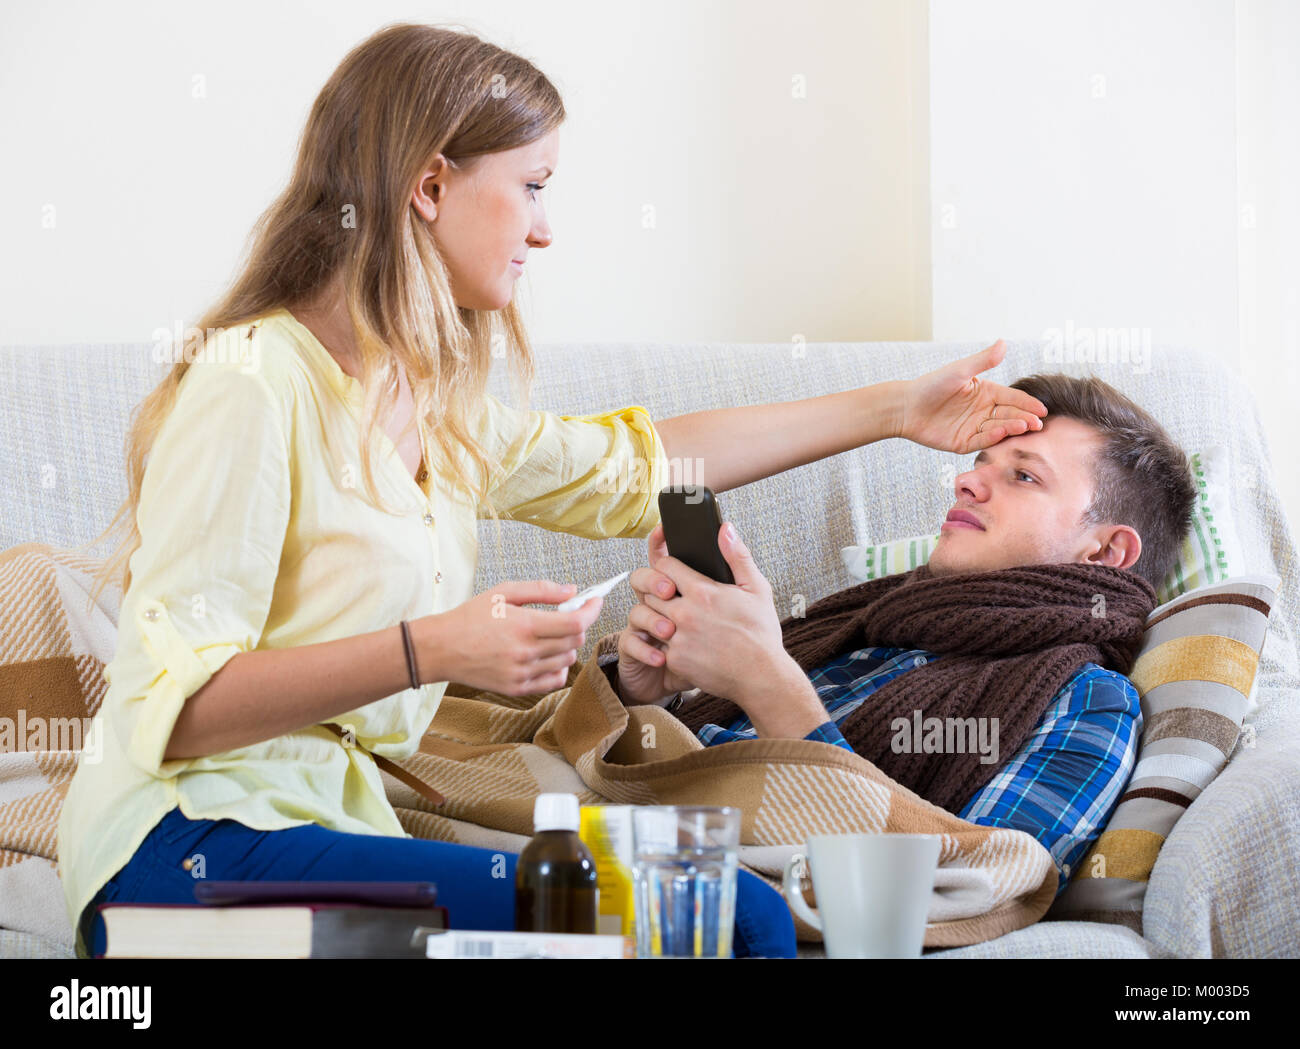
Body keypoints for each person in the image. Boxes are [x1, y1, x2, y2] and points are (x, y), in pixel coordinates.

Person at [58, 22, 1047, 960]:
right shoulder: (251, 381)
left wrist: (893, 411)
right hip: (183, 857)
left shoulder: (434, 410)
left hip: (321, 834)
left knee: (694, 904)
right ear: (431, 184)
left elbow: (645, 464)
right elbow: (178, 707)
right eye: (531, 185)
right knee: (725, 914)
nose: (544, 229)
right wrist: (432, 648)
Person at [610, 373, 1198, 896]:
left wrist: (768, 682)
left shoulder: (1089, 703)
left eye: (1023, 474)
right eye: (980, 464)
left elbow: (970, 892)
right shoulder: (864, 620)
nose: (967, 483)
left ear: (1106, 550)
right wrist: (646, 693)